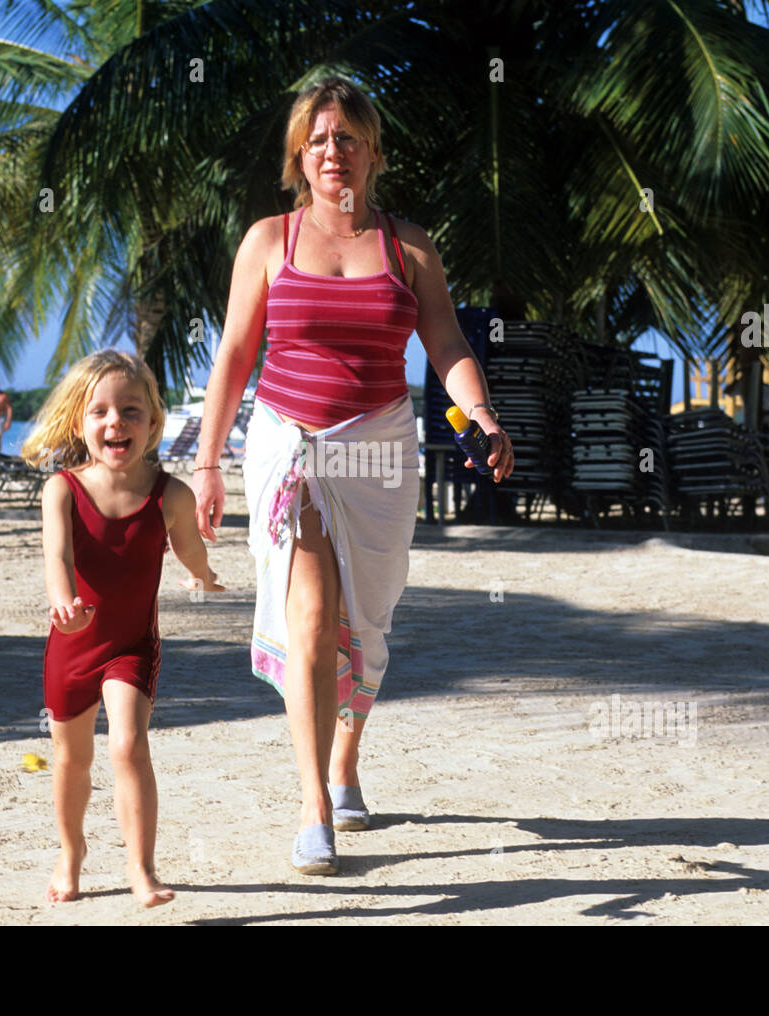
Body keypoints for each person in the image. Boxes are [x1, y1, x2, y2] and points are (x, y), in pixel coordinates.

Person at [190, 77, 514, 875]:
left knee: (366, 621)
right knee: (309, 612)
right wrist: (207, 462)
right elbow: (234, 355)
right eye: (319, 139)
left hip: (378, 448)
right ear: (300, 155)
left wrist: (482, 414)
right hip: (287, 444)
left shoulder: (411, 248)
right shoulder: (269, 240)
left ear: (374, 152)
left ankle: (344, 765)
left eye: (349, 138)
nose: (334, 151)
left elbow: (445, 345)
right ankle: (311, 806)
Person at [21, 349, 223, 906]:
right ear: (79, 423)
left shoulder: (170, 495)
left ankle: (142, 868)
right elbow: (57, 559)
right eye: (101, 412)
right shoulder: (61, 489)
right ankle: (71, 853)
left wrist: (203, 576)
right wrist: (64, 604)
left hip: (130, 647)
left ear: (154, 424)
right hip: (71, 646)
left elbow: (189, 549)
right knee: (71, 760)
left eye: (132, 411)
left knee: (129, 745)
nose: (117, 423)